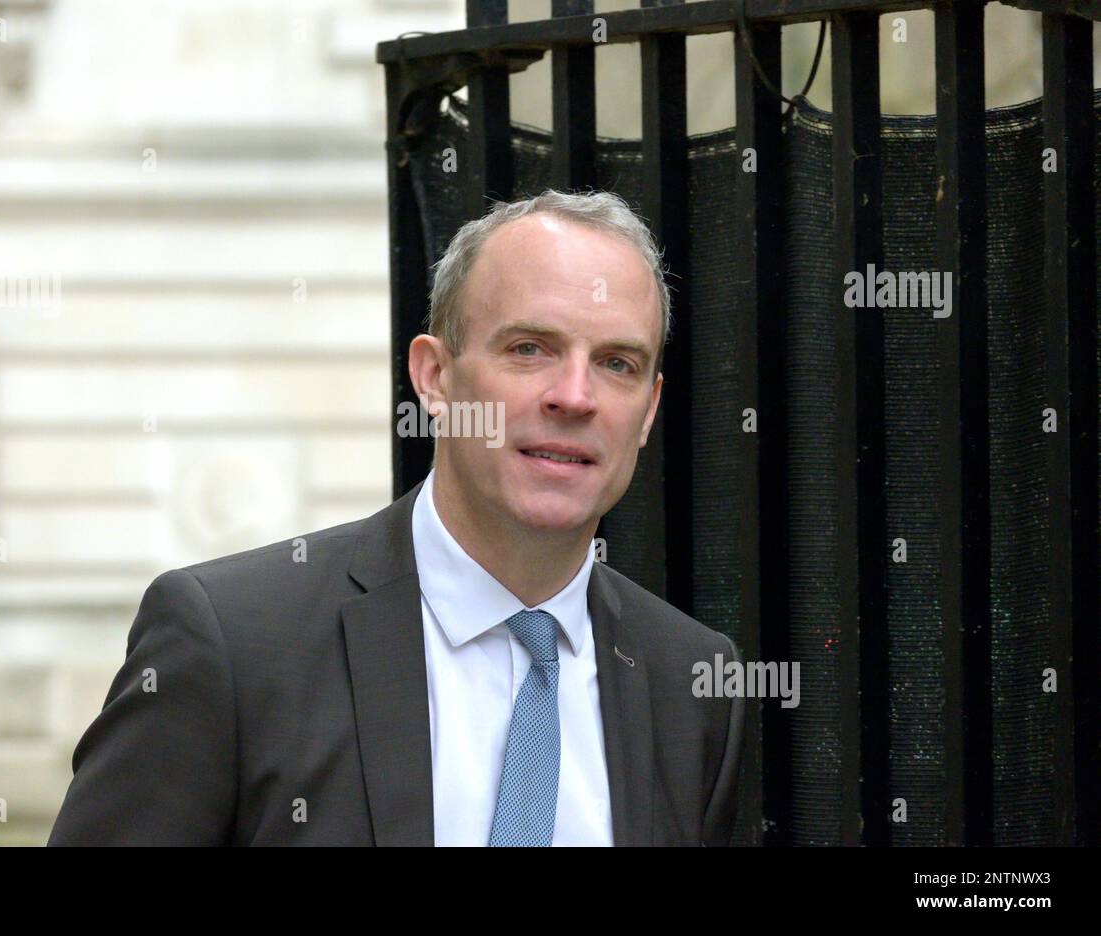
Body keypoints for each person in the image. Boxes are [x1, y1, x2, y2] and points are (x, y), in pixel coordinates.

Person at [47, 189, 744, 846]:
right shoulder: (231, 644)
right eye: (529, 349)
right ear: (435, 378)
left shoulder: (691, 681)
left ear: (649, 409)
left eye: (617, 363)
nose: (574, 395)